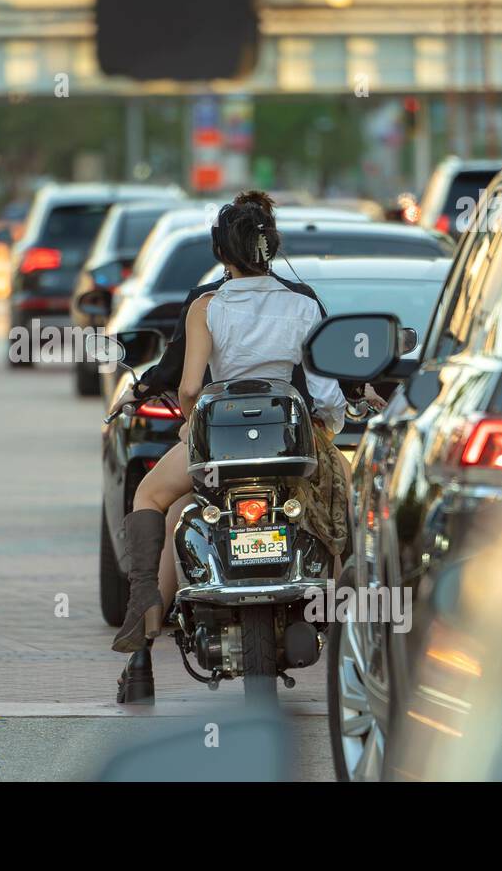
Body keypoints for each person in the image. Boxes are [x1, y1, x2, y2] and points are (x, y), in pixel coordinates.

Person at [110, 190, 372, 702]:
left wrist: (194, 426)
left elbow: (188, 388)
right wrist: (330, 424)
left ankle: (140, 648)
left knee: (152, 498)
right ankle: (349, 655)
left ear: (220, 251)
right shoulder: (303, 302)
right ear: (270, 247)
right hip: (290, 442)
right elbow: (323, 391)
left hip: (220, 445)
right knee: (340, 518)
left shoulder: (208, 305)